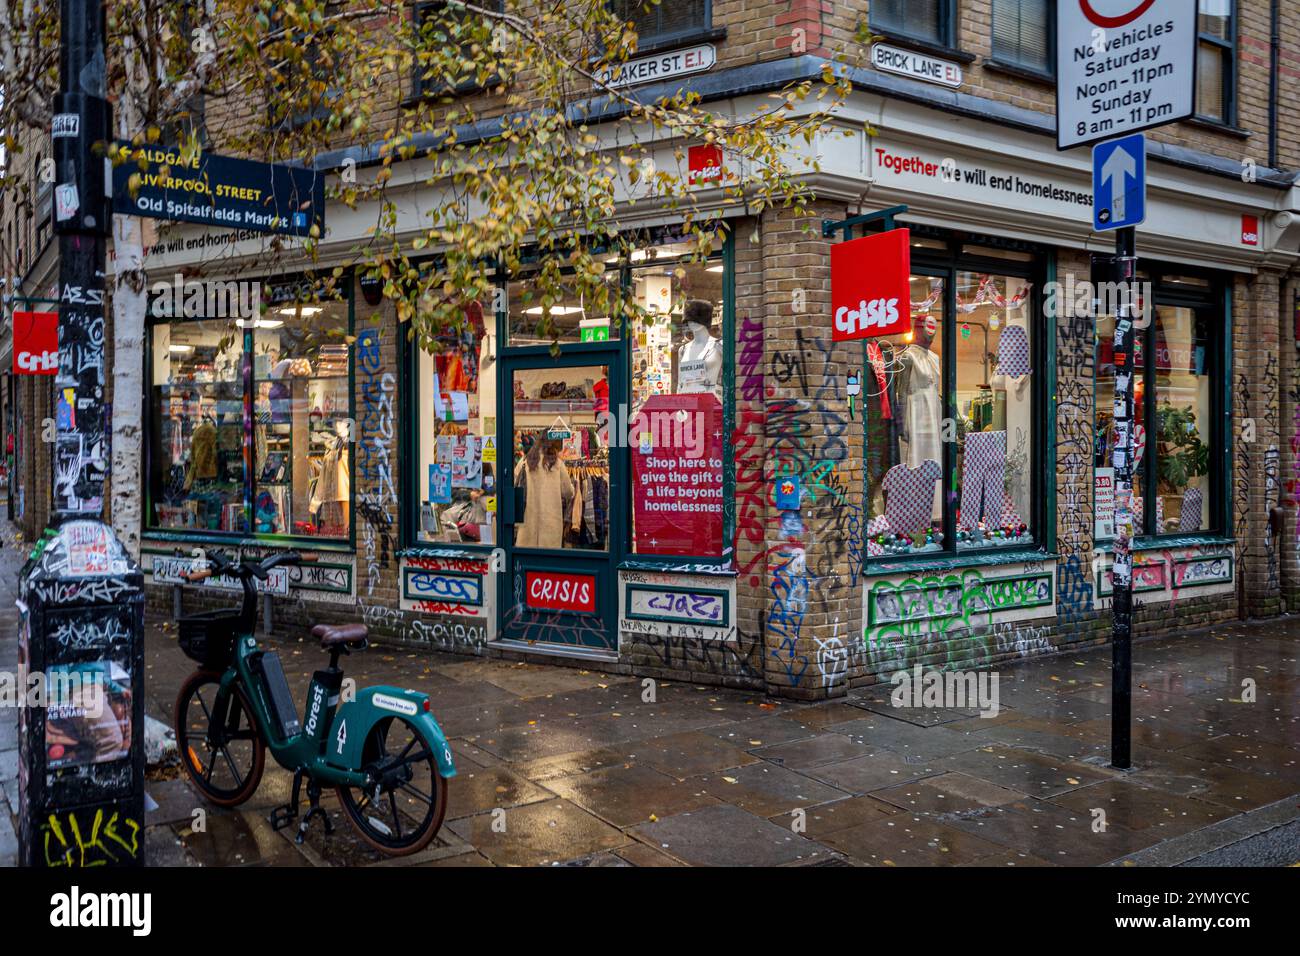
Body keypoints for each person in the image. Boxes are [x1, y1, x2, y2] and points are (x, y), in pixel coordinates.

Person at [513, 439, 573, 549]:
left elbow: (514, 484)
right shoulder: (557, 464)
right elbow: (568, 492)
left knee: (527, 561)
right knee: (547, 561)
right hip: (550, 525)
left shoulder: (525, 462)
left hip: (527, 525)